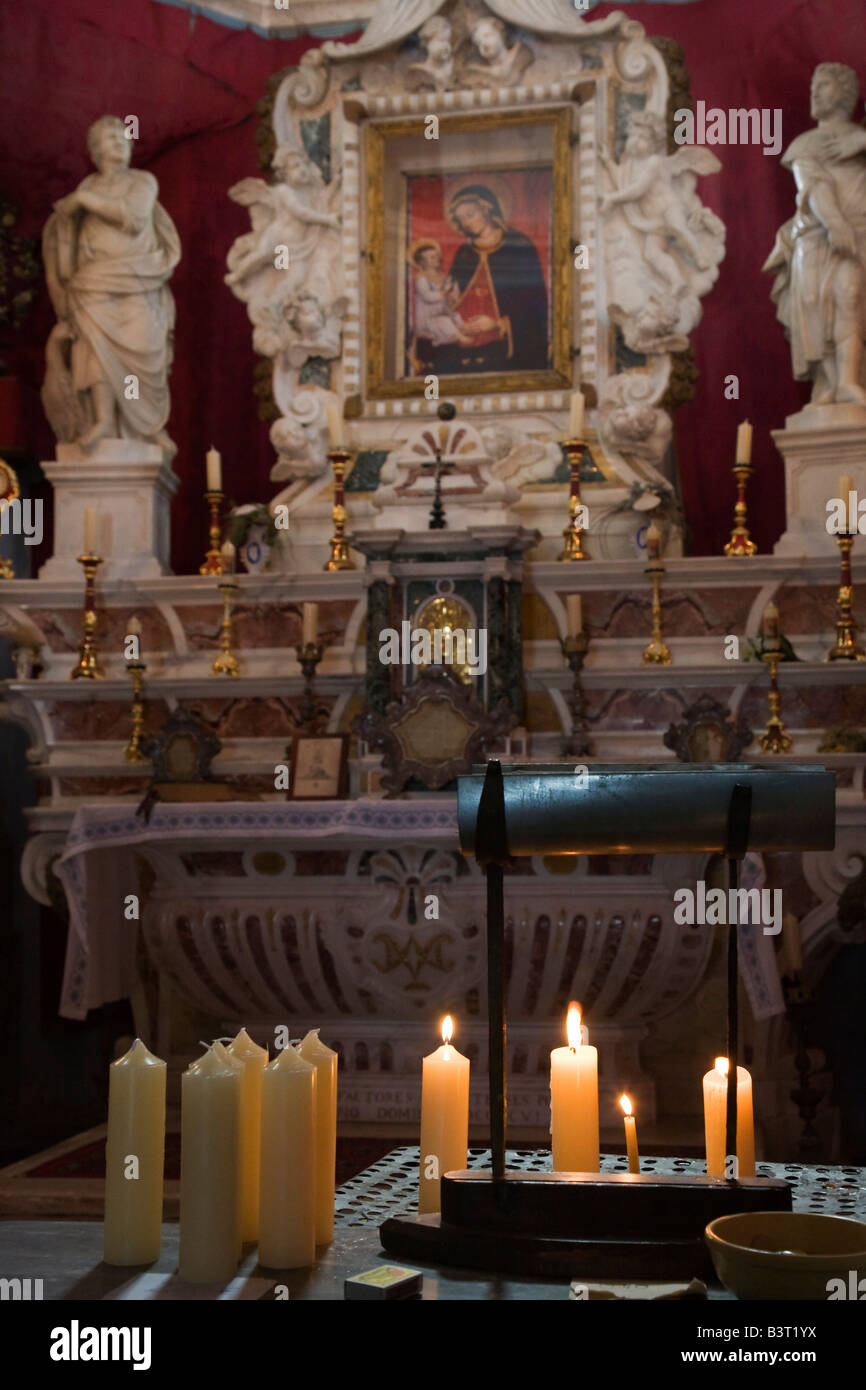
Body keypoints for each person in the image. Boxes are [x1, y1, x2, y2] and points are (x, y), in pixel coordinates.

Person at [42, 115, 180, 451]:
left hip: (138, 277)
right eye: (110, 138)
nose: (120, 142)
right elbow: (64, 239)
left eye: (123, 137)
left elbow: (133, 218)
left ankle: (141, 423)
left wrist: (83, 202)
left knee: (138, 352)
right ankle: (103, 420)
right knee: (97, 354)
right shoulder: (87, 187)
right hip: (93, 282)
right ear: (94, 150)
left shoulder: (142, 181)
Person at [763, 63, 866, 407]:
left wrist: (863, 139)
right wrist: (834, 222)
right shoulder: (805, 143)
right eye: (812, 86)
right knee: (812, 306)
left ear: (845, 92)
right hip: (815, 235)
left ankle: (849, 380)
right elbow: (811, 185)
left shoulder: (859, 141)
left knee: (848, 297)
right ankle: (830, 382)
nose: (814, 92)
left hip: (858, 234)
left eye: (823, 85)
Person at [435, 184, 549, 374]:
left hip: (506, 340)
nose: (467, 223)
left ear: (487, 209)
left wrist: (498, 324)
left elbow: (535, 302)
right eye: (461, 219)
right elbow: (452, 297)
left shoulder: (518, 246)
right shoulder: (464, 253)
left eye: (470, 215)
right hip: (464, 337)